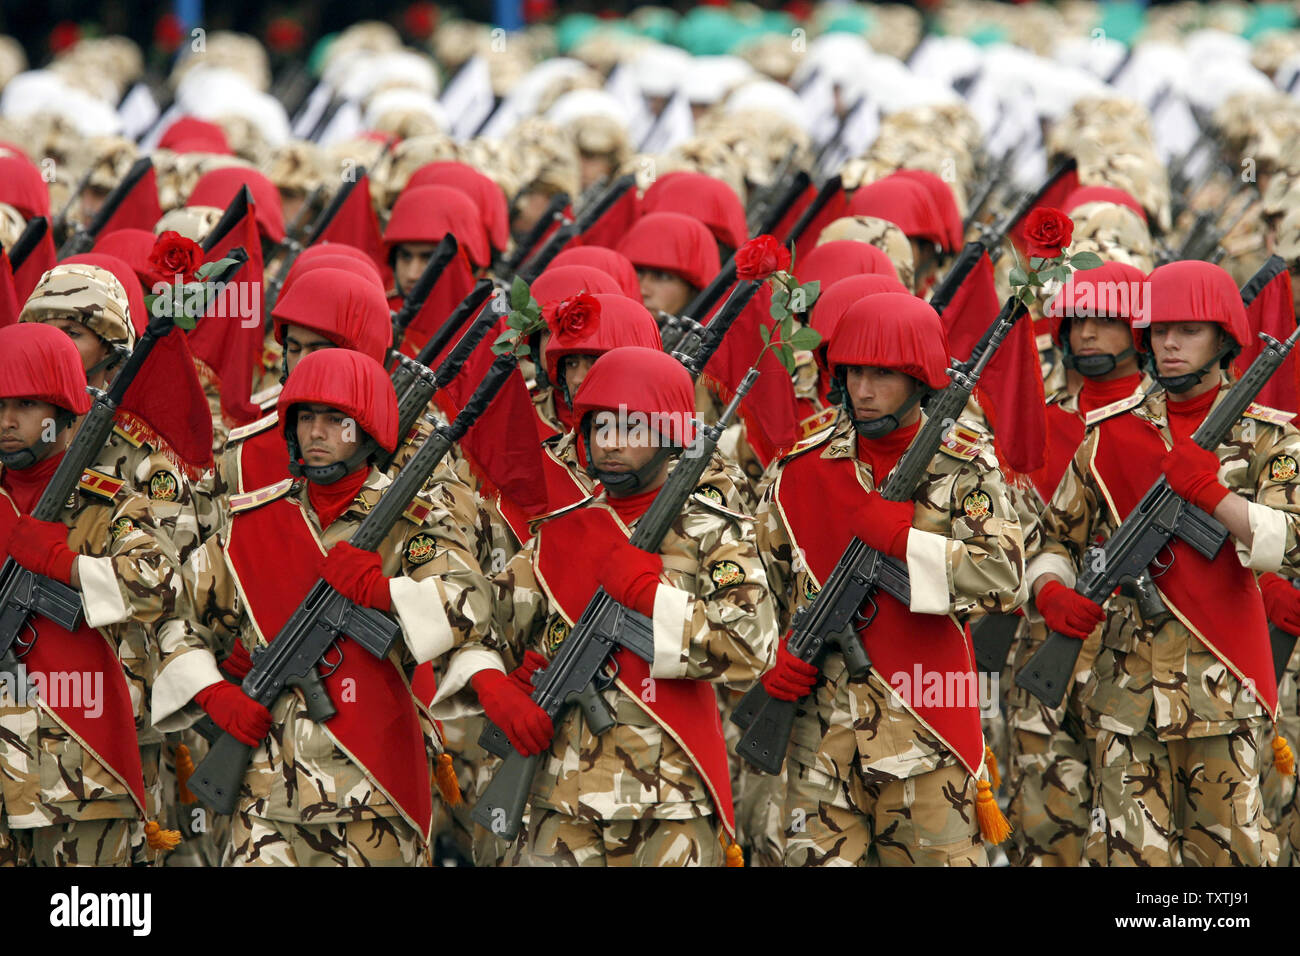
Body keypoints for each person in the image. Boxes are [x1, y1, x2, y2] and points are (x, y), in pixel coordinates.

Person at [431, 346, 776, 866]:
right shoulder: (565, 529)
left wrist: (652, 600)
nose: (613, 443)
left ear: (669, 436)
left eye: (633, 427)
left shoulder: (712, 528)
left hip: (672, 801)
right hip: (562, 801)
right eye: (601, 427)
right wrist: (491, 683)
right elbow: (483, 614)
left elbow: (753, 646)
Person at [154, 349, 492, 866]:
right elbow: (177, 616)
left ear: (368, 430)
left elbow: (468, 607)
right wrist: (214, 693)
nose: (316, 432)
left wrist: (384, 592)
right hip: (266, 793)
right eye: (305, 418)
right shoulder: (251, 523)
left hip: (374, 793)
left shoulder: (410, 519)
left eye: (337, 420)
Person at [1029, 260, 1300, 866]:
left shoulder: (1267, 438)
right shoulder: (1110, 434)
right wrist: (1052, 591)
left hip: (1223, 691)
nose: (1169, 344)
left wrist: (1213, 495)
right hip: (1125, 696)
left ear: (1224, 340)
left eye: (1188, 330)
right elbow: (1053, 541)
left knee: (1230, 866)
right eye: (1158, 331)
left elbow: (1292, 540)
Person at [755, 292, 1024, 866]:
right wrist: (774, 657)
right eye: (853, 371)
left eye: (883, 374)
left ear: (919, 378)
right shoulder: (800, 470)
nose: (863, 389)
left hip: (926, 729)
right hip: (820, 736)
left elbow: (1004, 578)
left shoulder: (964, 464)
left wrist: (905, 544)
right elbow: (765, 586)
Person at [0, 323, 188, 866]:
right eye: (0, 403)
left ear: (60, 409)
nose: (8, 419)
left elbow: (161, 584)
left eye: (26, 403)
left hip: (83, 772)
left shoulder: (106, 505)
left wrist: (66, 564)